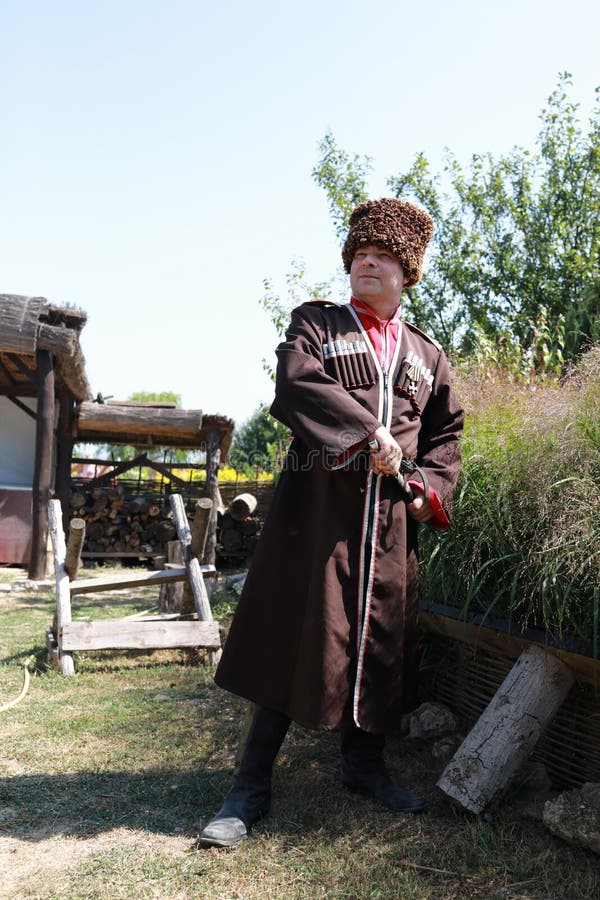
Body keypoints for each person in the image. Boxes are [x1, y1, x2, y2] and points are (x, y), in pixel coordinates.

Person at [199, 198, 464, 849]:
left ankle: (364, 769)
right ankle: (249, 788)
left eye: (381, 256)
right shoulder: (317, 324)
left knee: (381, 643)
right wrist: (366, 429)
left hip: (388, 528)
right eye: (358, 254)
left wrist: (424, 488)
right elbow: (293, 384)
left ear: (407, 272)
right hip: (316, 518)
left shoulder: (429, 357)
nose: (366, 263)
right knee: (298, 634)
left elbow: (446, 435)